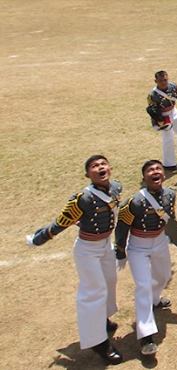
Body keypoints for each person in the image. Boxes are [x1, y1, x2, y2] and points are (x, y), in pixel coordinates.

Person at [28, 155, 123, 364]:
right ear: (87, 174)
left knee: (110, 281)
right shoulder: (83, 198)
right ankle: (99, 343)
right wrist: (41, 237)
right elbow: (62, 221)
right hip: (87, 249)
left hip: (106, 245)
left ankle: (102, 319)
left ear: (110, 167)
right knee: (93, 291)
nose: (100, 168)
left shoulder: (116, 188)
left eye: (103, 164)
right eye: (94, 166)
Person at [115, 160, 175, 357]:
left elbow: (170, 217)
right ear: (144, 178)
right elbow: (122, 227)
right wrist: (121, 251)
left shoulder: (170, 195)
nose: (155, 172)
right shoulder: (134, 202)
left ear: (164, 175)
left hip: (160, 242)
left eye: (158, 169)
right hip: (138, 247)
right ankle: (146, 334)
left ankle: (155, 299)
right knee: (143, 285)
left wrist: (172, 235)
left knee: (164, 276)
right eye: (150, 170)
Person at [147, 70, 177, 170]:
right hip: (163, 115)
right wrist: (160, 122)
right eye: (160, 80)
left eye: (165, 80)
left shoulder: (173, 86)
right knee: (168, 139)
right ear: (155, 81)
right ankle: (169, 164)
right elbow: (153, 111)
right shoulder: (152, 95)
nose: (163, 82)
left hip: (174, 111)